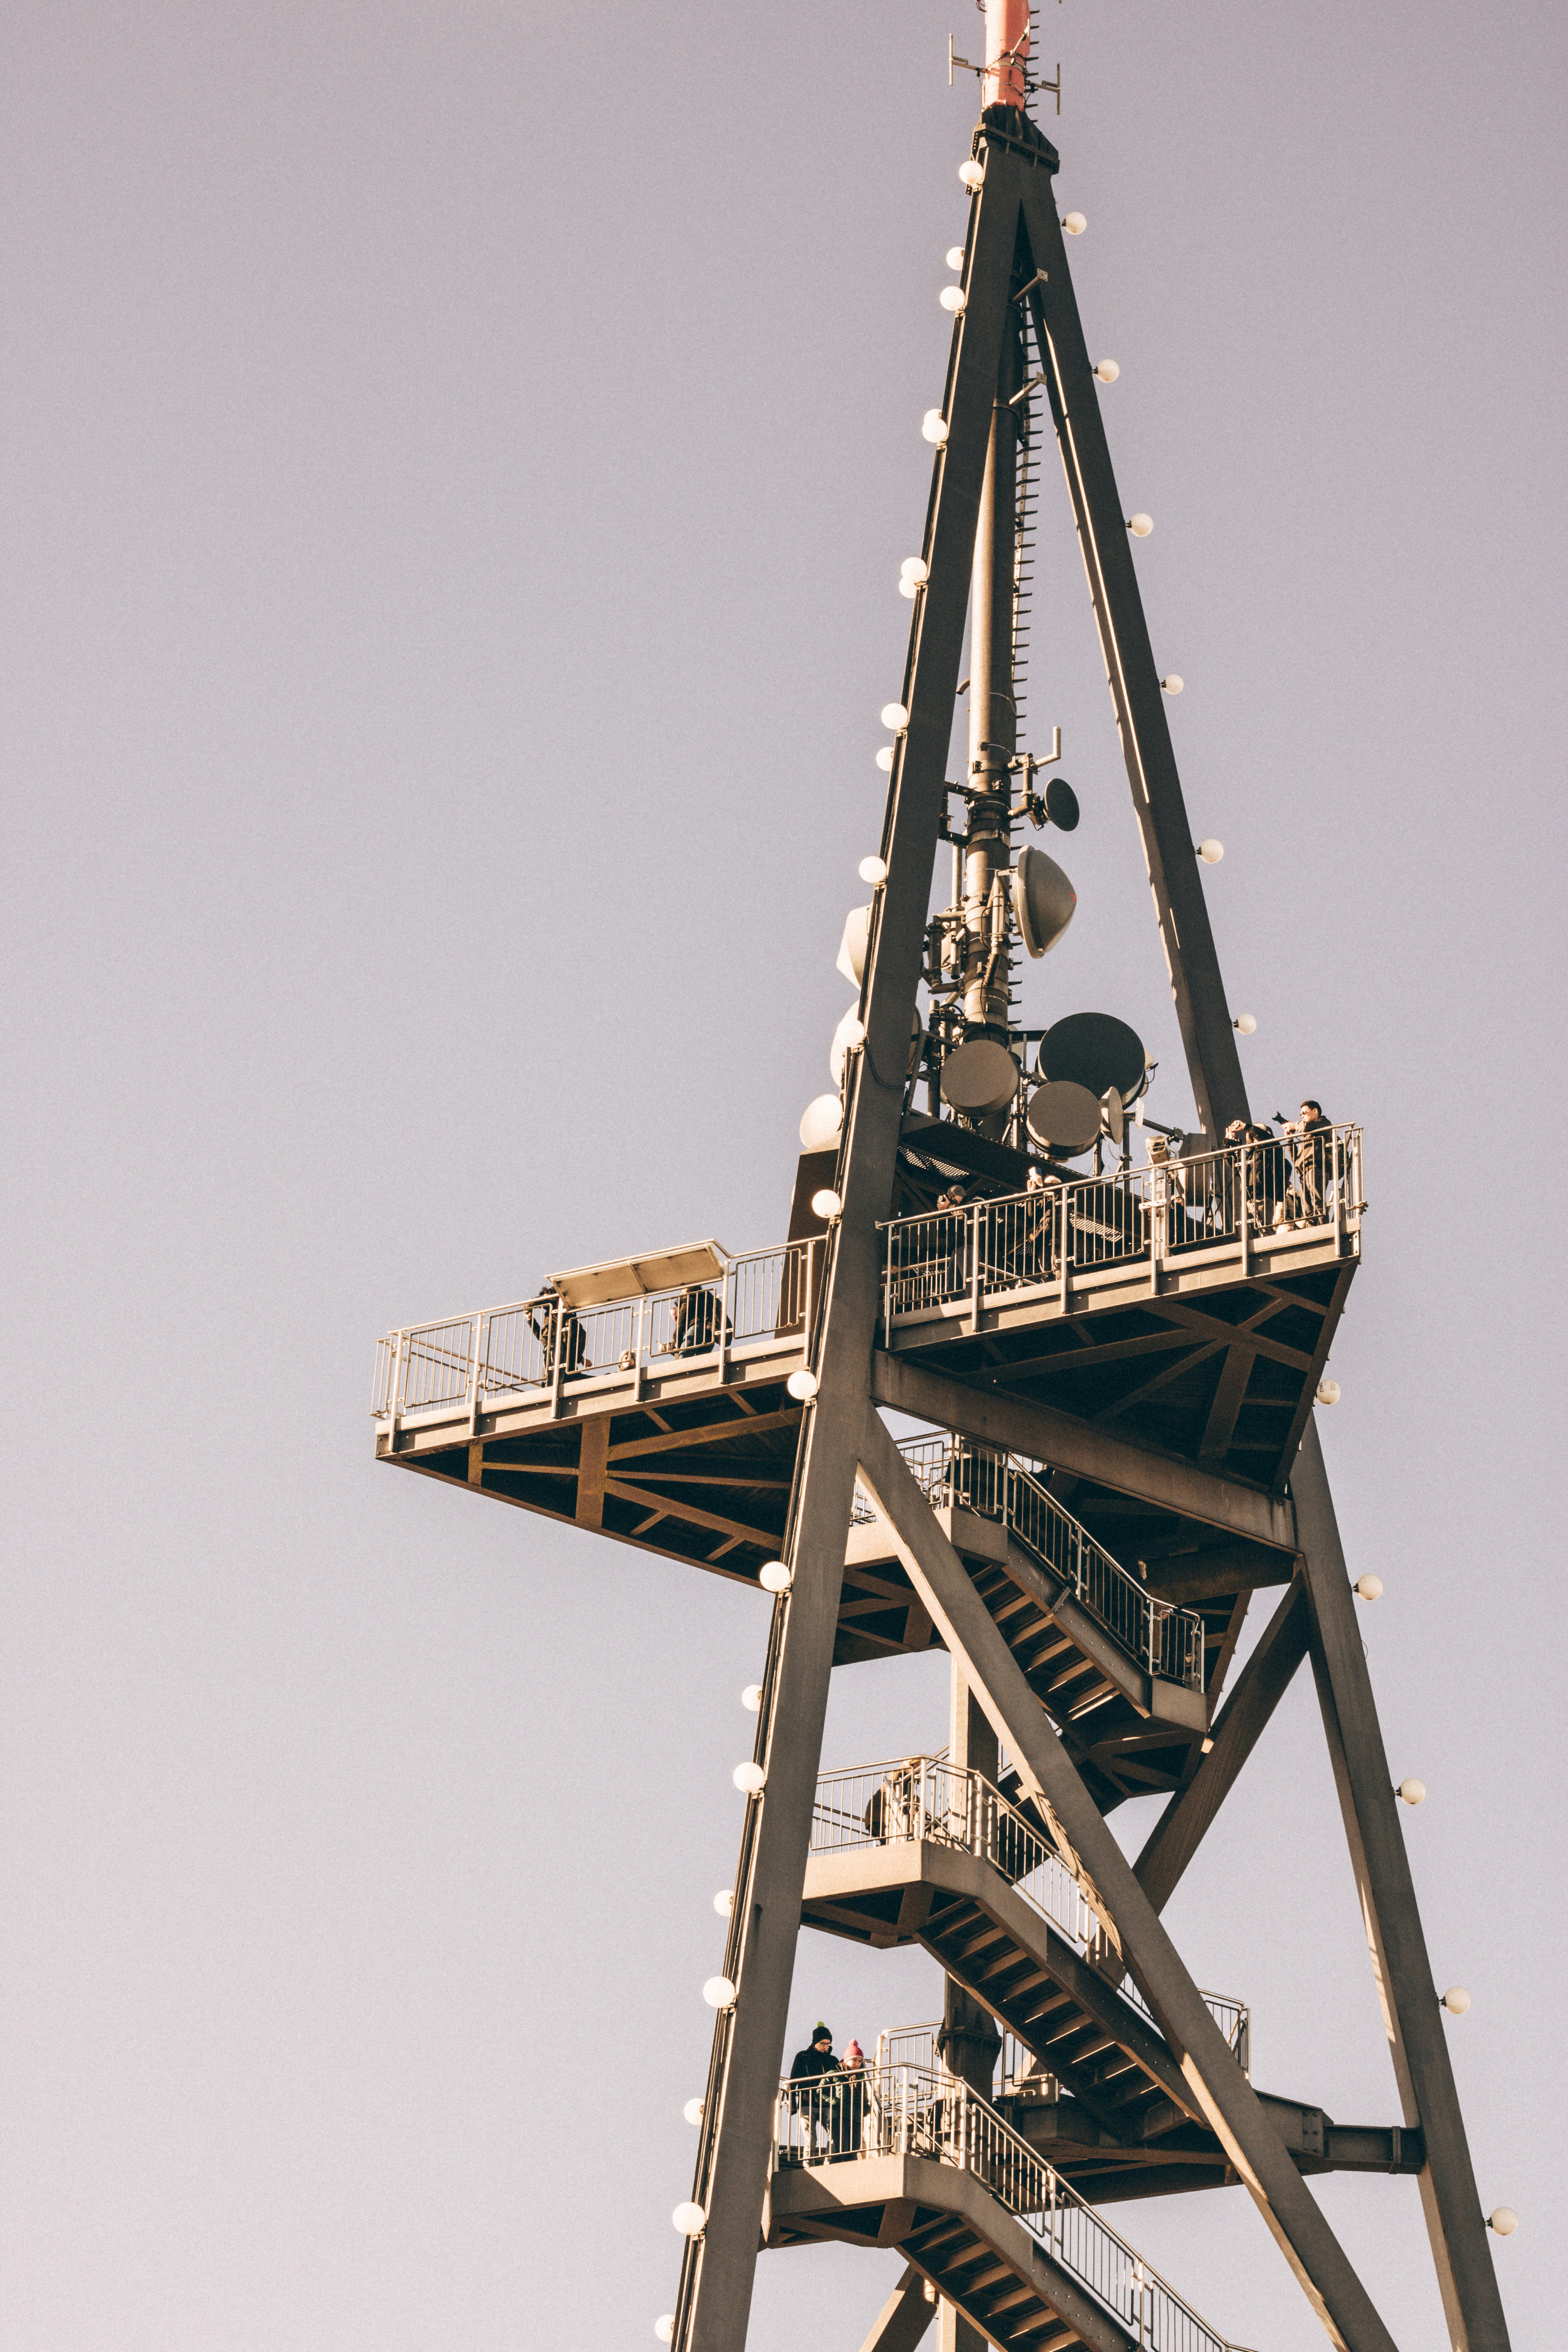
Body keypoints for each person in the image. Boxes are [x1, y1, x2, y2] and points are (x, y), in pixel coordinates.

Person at [789, 2022, 839, 2158]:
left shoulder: (833, 2060)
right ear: (815, 2042)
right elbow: (793, 2080)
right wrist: (792, 2103)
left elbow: (841, 2081)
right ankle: (809, 2166)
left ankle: (829, 2164)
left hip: (828, 2104)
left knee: (834, 2136)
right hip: (807, 2102)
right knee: (811, 2140)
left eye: (828, 2044)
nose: (826, 2047)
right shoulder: (803, 2056)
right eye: (823, 2043)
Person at [1282, 1099, 1333, 1226]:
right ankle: (1313, 1231)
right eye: (1301, 1115)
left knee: (1318, 1204)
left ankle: (1323, 1230)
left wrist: (1295, 1125)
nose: (1302, 1116)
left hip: (1316, 1169)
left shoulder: (1324, 1123)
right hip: (1304, 1172)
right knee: (1308, 1210)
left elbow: (1308, 1127)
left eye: (1305, 1113)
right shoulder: (1308, 1134)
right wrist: (1290, 1140)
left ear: (1315, 1112)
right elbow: (1297, 1159)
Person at [832, 2039, 868, 2159]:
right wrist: (833, 2102)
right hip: (840, 2116)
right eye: (854, 2060)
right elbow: (820, 2092)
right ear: (846, 2060)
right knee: (842, 2148)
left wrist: (866, 2108)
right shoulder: (835, 2074)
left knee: (855, 2148)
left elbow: (865, 2098)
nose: (857, 2063)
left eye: (860, 2061)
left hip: (856, 2118)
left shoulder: (860, 2079)